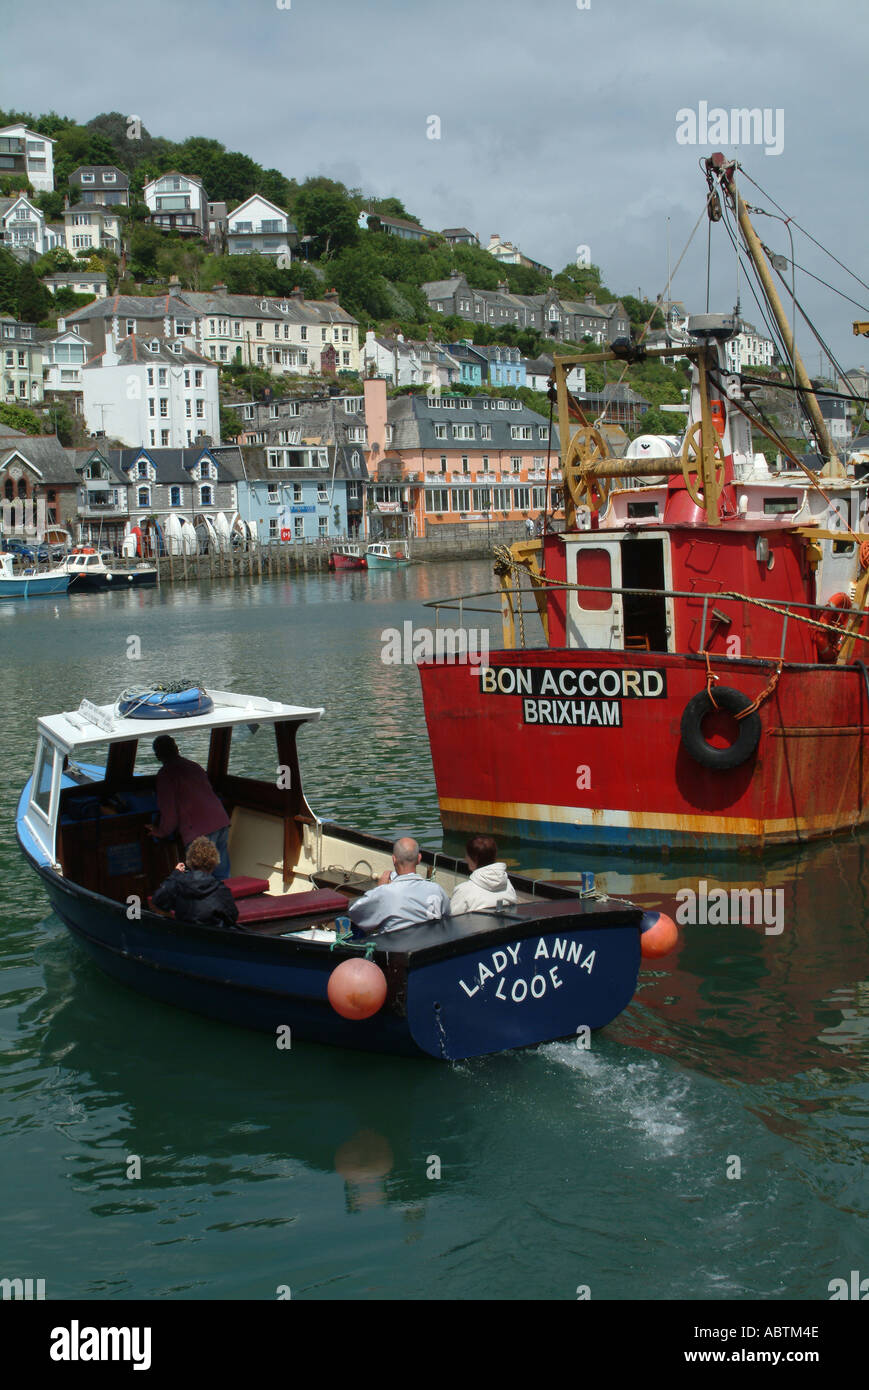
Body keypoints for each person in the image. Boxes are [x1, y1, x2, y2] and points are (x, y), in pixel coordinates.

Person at [147, 735, 231, 879]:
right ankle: (228, 900)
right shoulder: (193, 766)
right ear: (176, 749)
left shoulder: (166, 775)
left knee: (200, 879)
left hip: (198, 829)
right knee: (222, 874)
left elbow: (169, 813)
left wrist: (161, 832)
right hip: (220, 821)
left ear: (158, 755)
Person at [347, 837, 451, 935]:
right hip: (429, 949)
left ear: (394, 859)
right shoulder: (437, 890)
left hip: (394, 951)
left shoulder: (384, 893)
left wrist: (379, 888)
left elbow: (355, 913)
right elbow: (448, 915)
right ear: (419, 858)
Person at [152, 837, 240, 930]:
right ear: (213, 863)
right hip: (212, 938)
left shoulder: (177, 883)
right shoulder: (220, 890)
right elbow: (232, 917)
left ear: (190, 861)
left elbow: (158, 901)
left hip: (185, 936)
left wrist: (175, 874)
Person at [450, 834, 517, 915]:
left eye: (467, 855)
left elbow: (452, 922)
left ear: (475, 859)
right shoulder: (508, 885)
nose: (465, 859)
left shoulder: (463, 891)